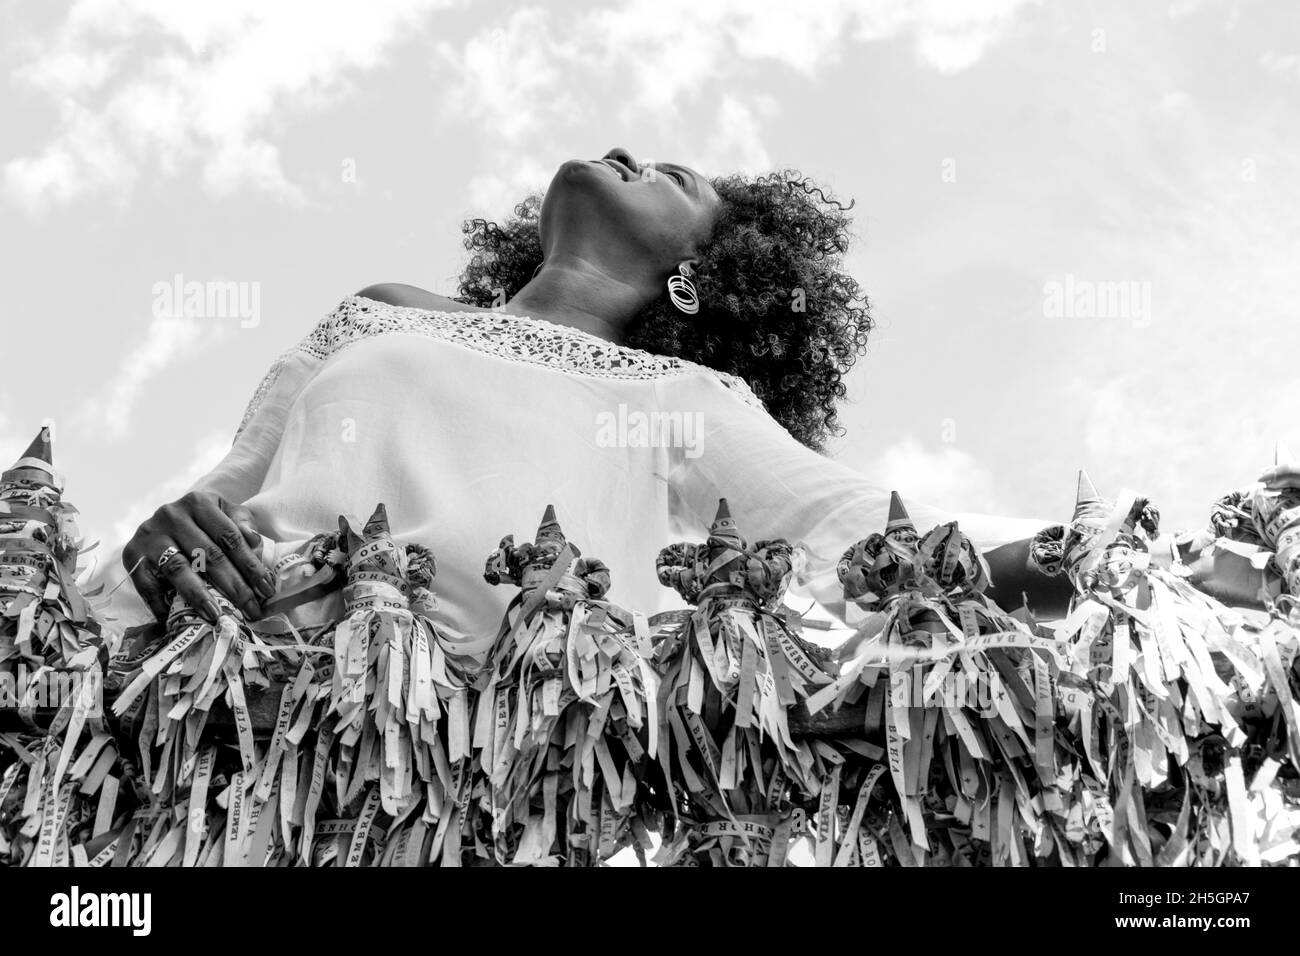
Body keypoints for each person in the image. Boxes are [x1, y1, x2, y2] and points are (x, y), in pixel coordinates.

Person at [113, 147, 1259, 642]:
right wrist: (159, 538)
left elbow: (869, 537)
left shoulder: (687, 393)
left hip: (495, 749)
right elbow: (235, 473)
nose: (630, 151)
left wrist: (1154, 563)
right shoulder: (381, 307)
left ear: (702, 275)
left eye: (675, 174)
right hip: (224, 673)